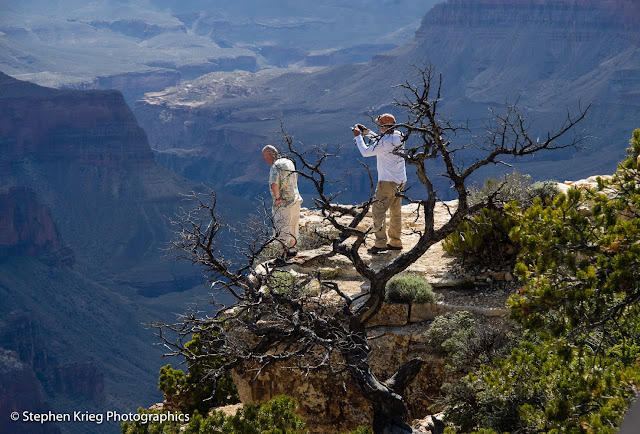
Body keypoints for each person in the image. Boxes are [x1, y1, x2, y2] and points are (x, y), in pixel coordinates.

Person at [352, 113, 406, 254]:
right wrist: (367, 132)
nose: (379, 126)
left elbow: (365, 152)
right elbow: (383, 140)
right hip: (400, 181)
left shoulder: (385, 141)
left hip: (387, 182)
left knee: (378, 211)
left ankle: (380, 243)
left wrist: (358, 136)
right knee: (395, 212)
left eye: (380, 124)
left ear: (384, 126)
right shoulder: (399, 135)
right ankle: (395, 242)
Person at [262, 145, 303, 261]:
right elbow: (296, 176)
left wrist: (278, 198)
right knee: (294, 226)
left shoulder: (276, 165)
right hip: (295, 199)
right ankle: (292, 251)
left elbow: (274, 183)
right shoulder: (289, 161)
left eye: (266, 158)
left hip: (284, 203)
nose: (266, 161)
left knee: (283, 229)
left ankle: (282, 256)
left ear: (270, 155)